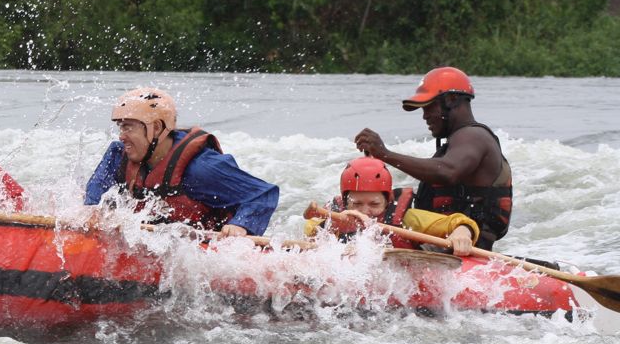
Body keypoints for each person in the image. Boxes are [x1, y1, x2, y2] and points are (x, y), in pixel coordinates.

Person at [83, 87, 278, 236]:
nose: (122, 137)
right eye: (120, 128)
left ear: (157, 128)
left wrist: (240, 225)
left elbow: (261, 194)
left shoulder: (201, 169)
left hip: (202, 245)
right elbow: (95, 192)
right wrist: (92, 211)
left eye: (128, 128)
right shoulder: (118, 156)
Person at [353, 67, 511, 250]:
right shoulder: (457, 142)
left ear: (451, 100)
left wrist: (384, 154)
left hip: (465, 244)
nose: (425, 116)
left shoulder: (474, 136)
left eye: (429, 107)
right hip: (441, 242)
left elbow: (447, 172)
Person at [305, 156, 477, 256]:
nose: (366, 211)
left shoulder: (407, 218)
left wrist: (462, 233)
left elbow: (458, 222)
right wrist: (330, 227)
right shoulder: (333, 216)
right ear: (345, 201)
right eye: (356, 204)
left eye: (374, 204)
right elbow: (310, 230)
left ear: (387, 201)